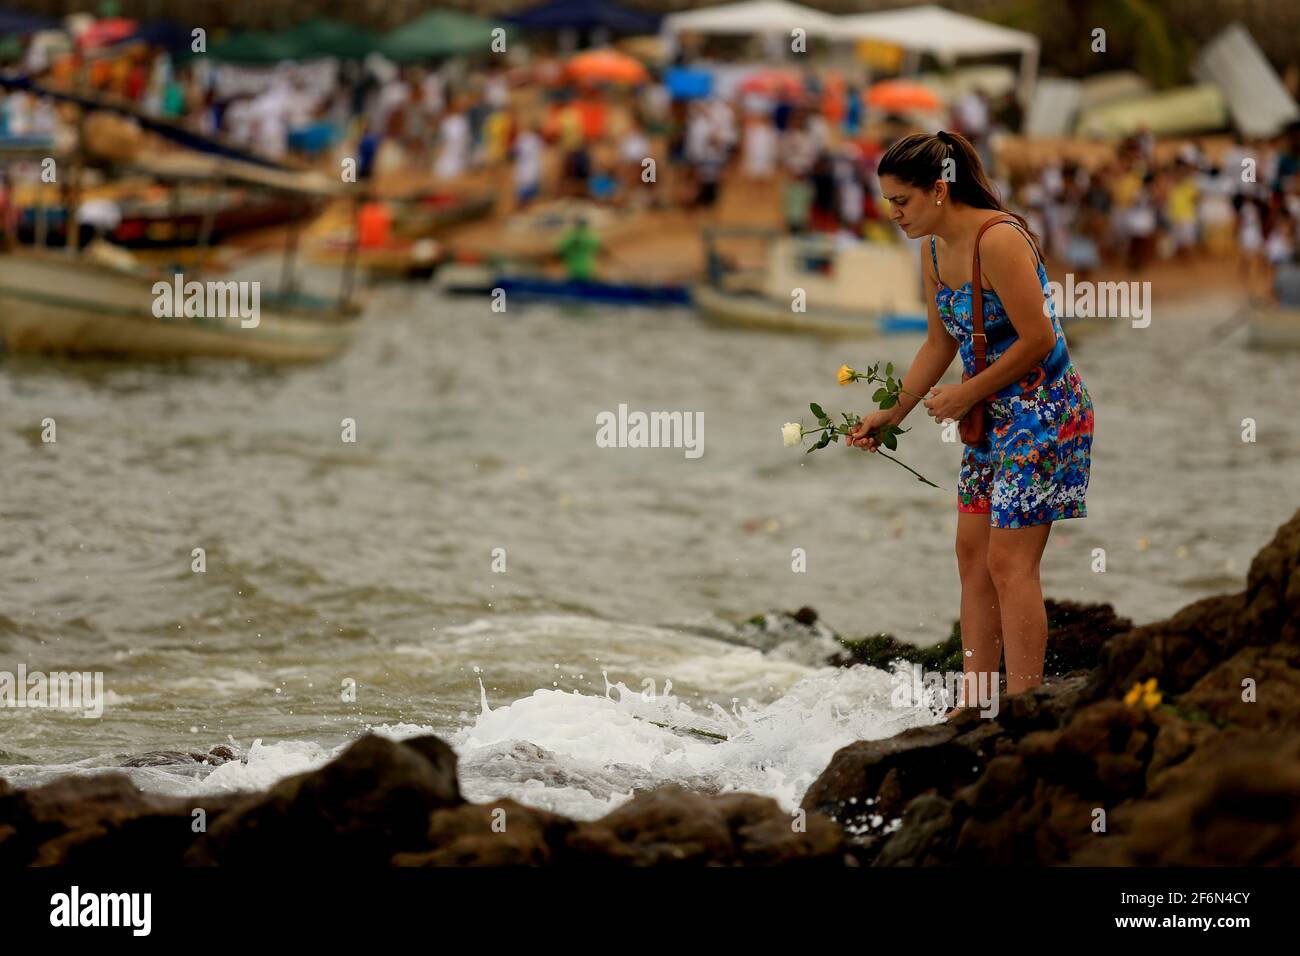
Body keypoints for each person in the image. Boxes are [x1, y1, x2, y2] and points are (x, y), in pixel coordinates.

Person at [848, 130, 1094, 720]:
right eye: (887, 201)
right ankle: (974, 701)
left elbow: (1039, 339)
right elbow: (938, 341)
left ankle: (1023, 705)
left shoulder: (1000, 239)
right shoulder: (931, 249)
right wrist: (895, 411)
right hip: (990, 417)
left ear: (939, 189)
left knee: (1011, 563)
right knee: (970, 553)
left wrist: (963, 396)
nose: (894, 213)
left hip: (1046, 415)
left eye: (902, 200)